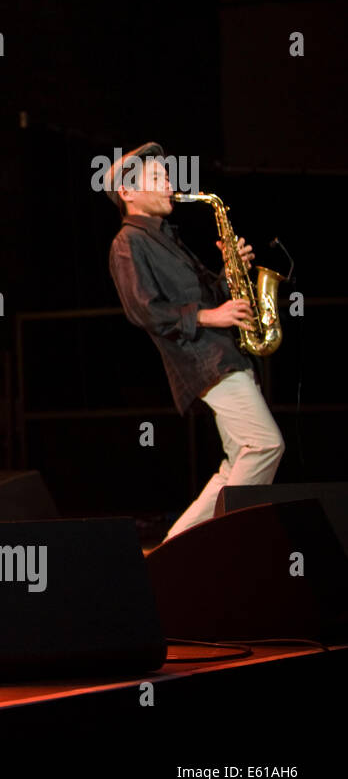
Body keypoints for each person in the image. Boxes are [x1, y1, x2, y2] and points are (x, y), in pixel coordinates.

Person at [106, 142, 284, 540]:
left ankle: (177, 546)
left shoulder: (168, 237)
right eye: (157, 178)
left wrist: (228, 272)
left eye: (167, 176)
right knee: (265, 445)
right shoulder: (128, 242)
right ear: (128, 193)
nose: (169, 183)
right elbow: (143, 310)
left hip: (223, 353)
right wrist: (209, 315)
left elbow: (202, 298)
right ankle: (222, 540)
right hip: (206, 361)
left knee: (235, 462)